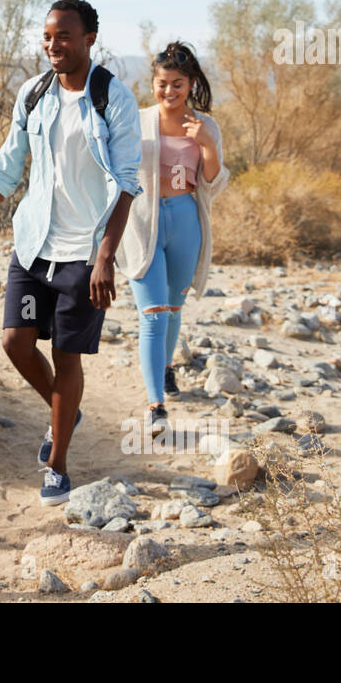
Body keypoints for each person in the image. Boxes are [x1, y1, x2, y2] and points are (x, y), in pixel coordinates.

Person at [0, 0, 142, 506]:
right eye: (47, 36)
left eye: (64, 35)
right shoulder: (34, 92)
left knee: (67, 357)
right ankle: (67, 410)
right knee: (15, 342)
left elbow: (128, 183)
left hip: (84, 253)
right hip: (33, 243)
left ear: (89, 39)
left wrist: (106, 254)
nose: (53, 45)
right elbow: (8, 163)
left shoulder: (113, 98)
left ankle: (58, 465)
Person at [115, 42, 228, 435]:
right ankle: (155, 406)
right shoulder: (137, 120)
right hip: (142, 222)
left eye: (177, 84)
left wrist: (207, 145)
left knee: (174, 307)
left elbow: (213, 184)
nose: (169, 91)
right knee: (152, 313)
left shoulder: (206, 126)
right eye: (162, 83)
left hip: (186, 222)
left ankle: (165, 369)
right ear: (153, 83)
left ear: (190, 83)